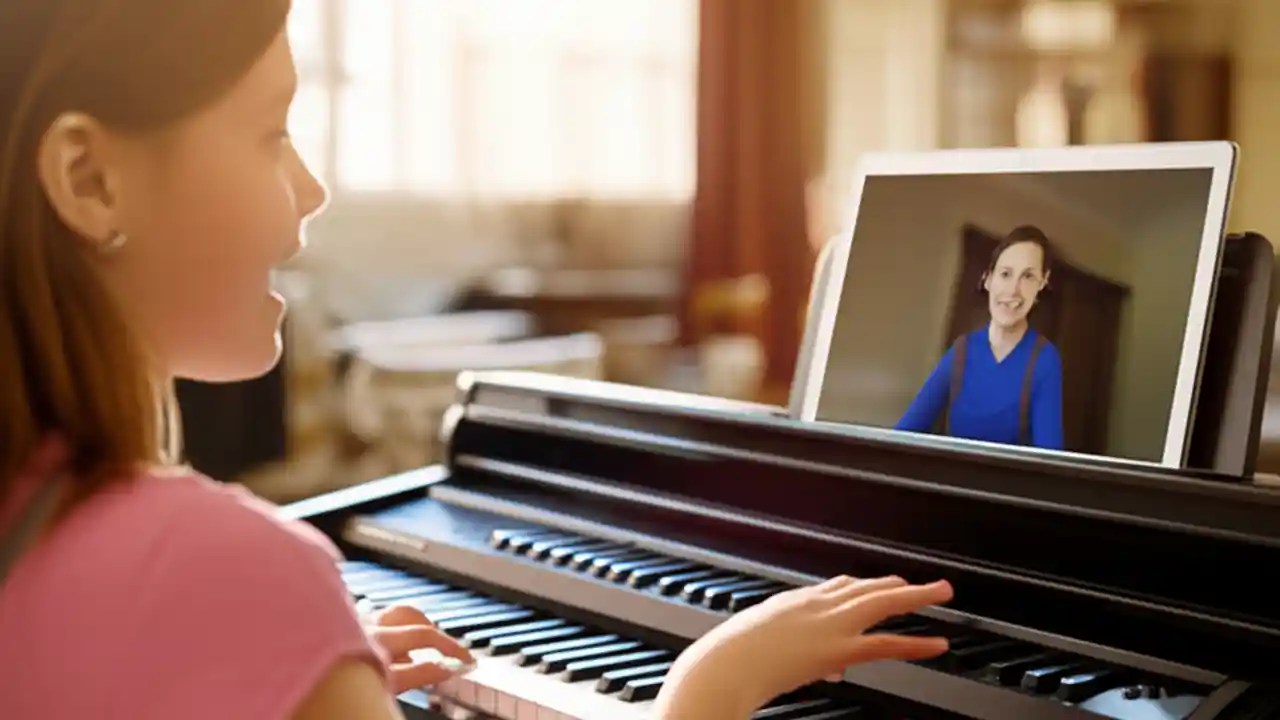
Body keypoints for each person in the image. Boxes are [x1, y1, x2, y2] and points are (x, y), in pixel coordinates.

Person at [0, 1, 956, 719]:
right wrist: (709, 687)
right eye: (271, 133)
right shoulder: (235, 575)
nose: (313, 187)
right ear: (89, 178)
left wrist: (305, 674)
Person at [895, 225, 1065, 450]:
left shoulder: (1045, 360)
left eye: (1028, 276)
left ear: (1042, 282)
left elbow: (1049, 458)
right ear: (988, 279)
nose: (1013, 290)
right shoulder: (962, 351)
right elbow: (905, 432)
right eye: (1005, 274)